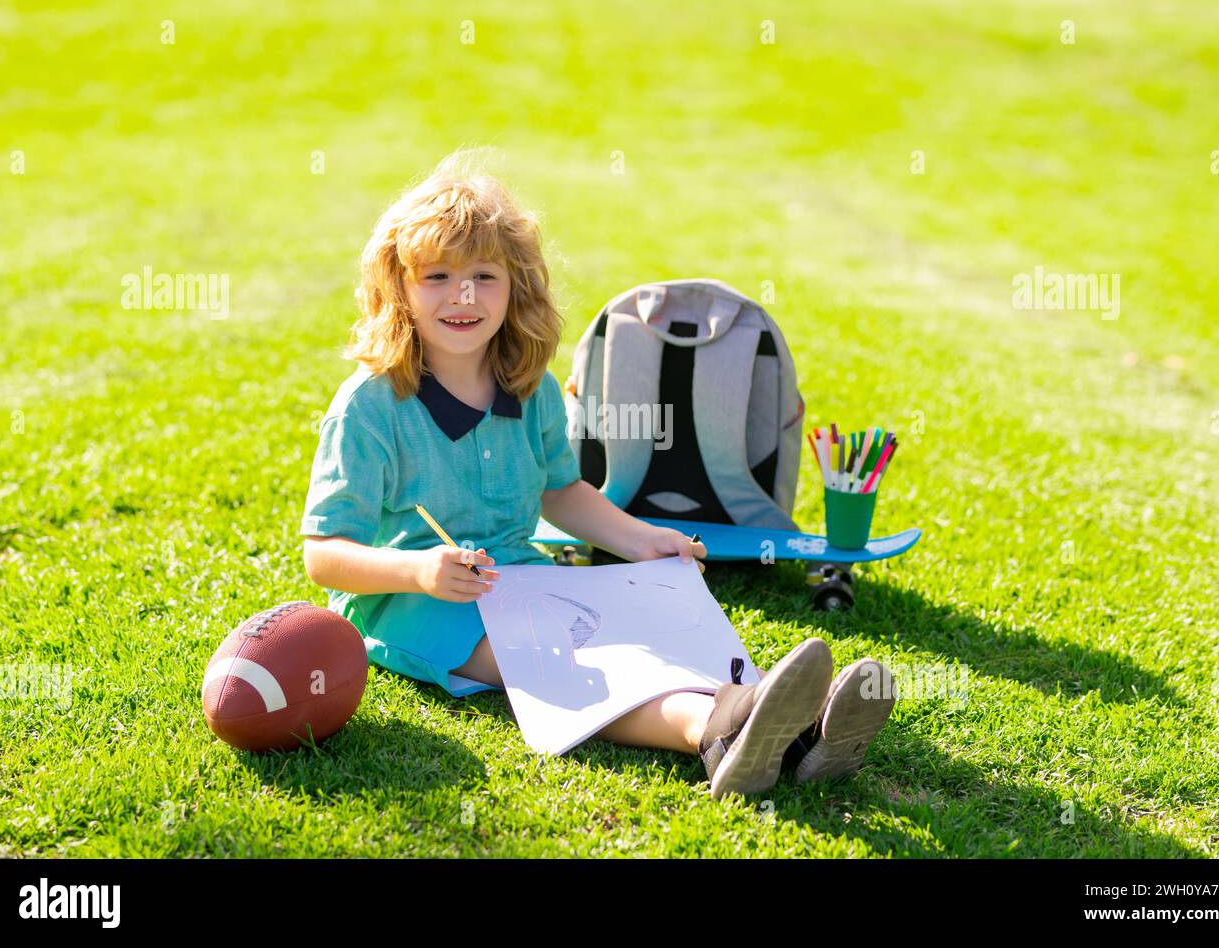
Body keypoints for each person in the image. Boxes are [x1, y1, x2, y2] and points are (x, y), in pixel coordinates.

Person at [300, 150, 895, 799]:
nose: (463, 296)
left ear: (516, 284)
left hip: (520, 579)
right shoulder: (371, 407)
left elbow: (562, 491)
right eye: (437, 276)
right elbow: (324, 556)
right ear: (400, 288)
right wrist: (418, 571)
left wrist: (640, 539)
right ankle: (714, 730)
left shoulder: (530, 391)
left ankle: (800, 734)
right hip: (411, 605)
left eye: (483, 275)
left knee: (636, 627)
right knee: (574, 664)